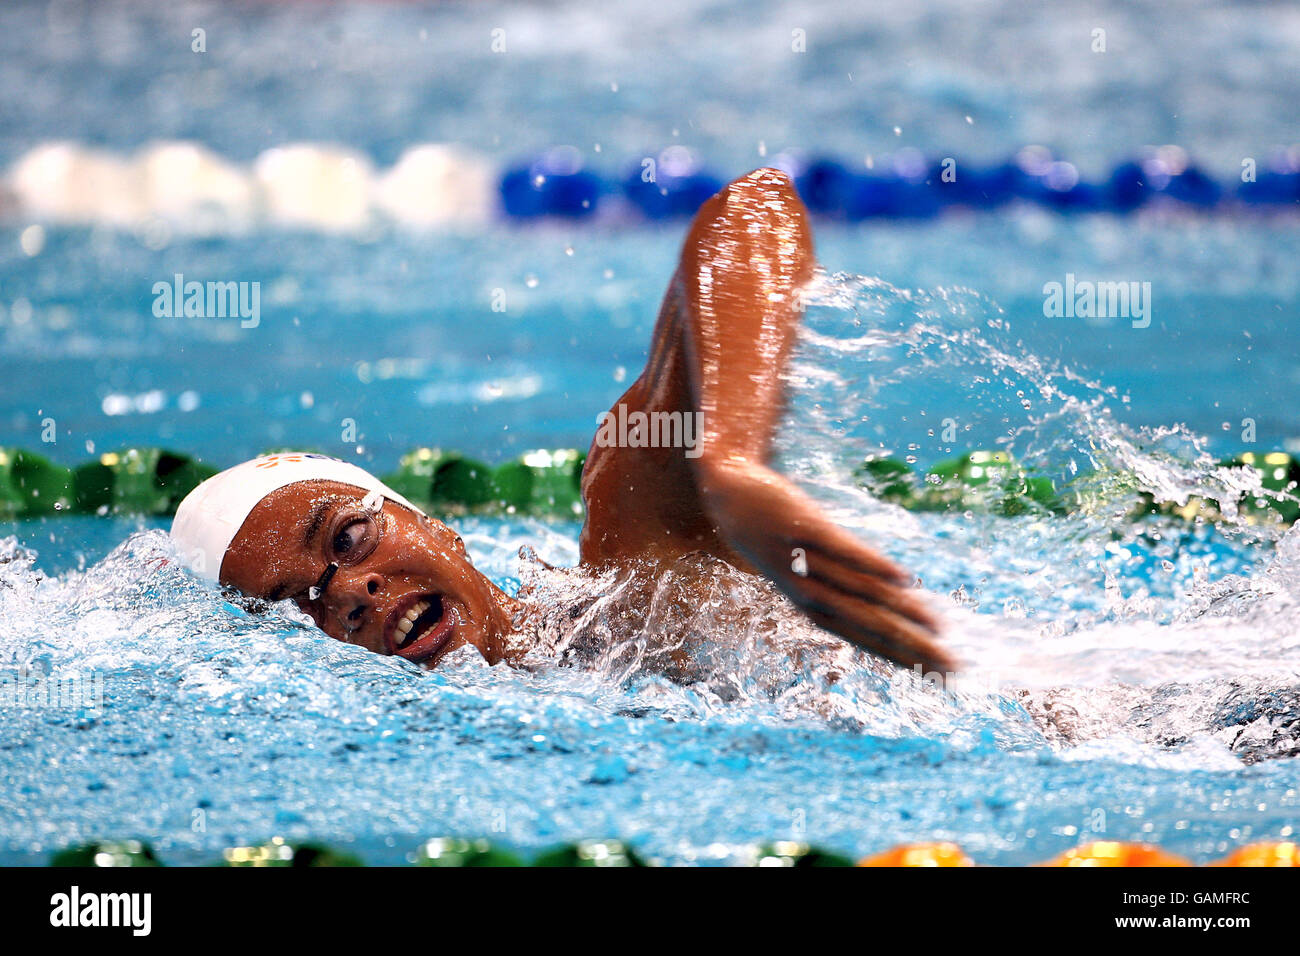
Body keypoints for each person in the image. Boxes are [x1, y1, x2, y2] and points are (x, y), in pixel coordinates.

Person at [170, 168, 953, 675]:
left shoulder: (633, 580)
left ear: (431, 521)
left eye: (345, 538)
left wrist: (728, 462)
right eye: (296, 605)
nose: (351, 591)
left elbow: (752, 208)